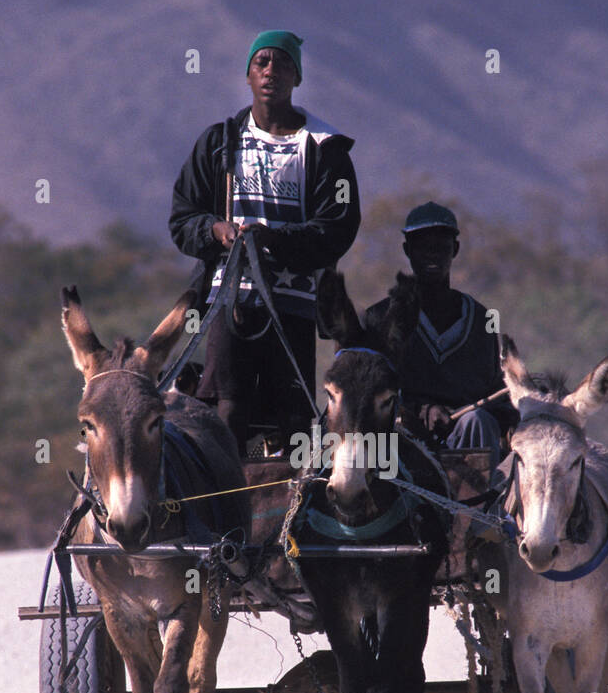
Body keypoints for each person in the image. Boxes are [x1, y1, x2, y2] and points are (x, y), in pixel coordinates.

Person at [169, 29, 360, 451]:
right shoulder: (220, 143)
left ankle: (292, 511)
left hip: (292, 303)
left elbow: (338, 227)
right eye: (262, 62)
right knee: (228, 408)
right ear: (249, 74)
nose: (272, 71)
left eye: (283, 63)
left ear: (298, 77)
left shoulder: (324, 149)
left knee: (292, 416)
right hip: (228, 301)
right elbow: (182, 218)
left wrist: (274, 240)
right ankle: (226, 508)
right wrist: (217, 230)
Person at [364, 202, 518, 471]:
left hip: (466, 442)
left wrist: (518, 407)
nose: (432, 256)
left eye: (441, 247)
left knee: (478, 421)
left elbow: (496, 395)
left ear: (455, 250)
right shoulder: (378, 318)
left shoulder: (483, 321)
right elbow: (366, 397)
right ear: (407, 251)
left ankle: (473, 511)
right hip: (401, 445)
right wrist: (422, 410)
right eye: (423, 247)